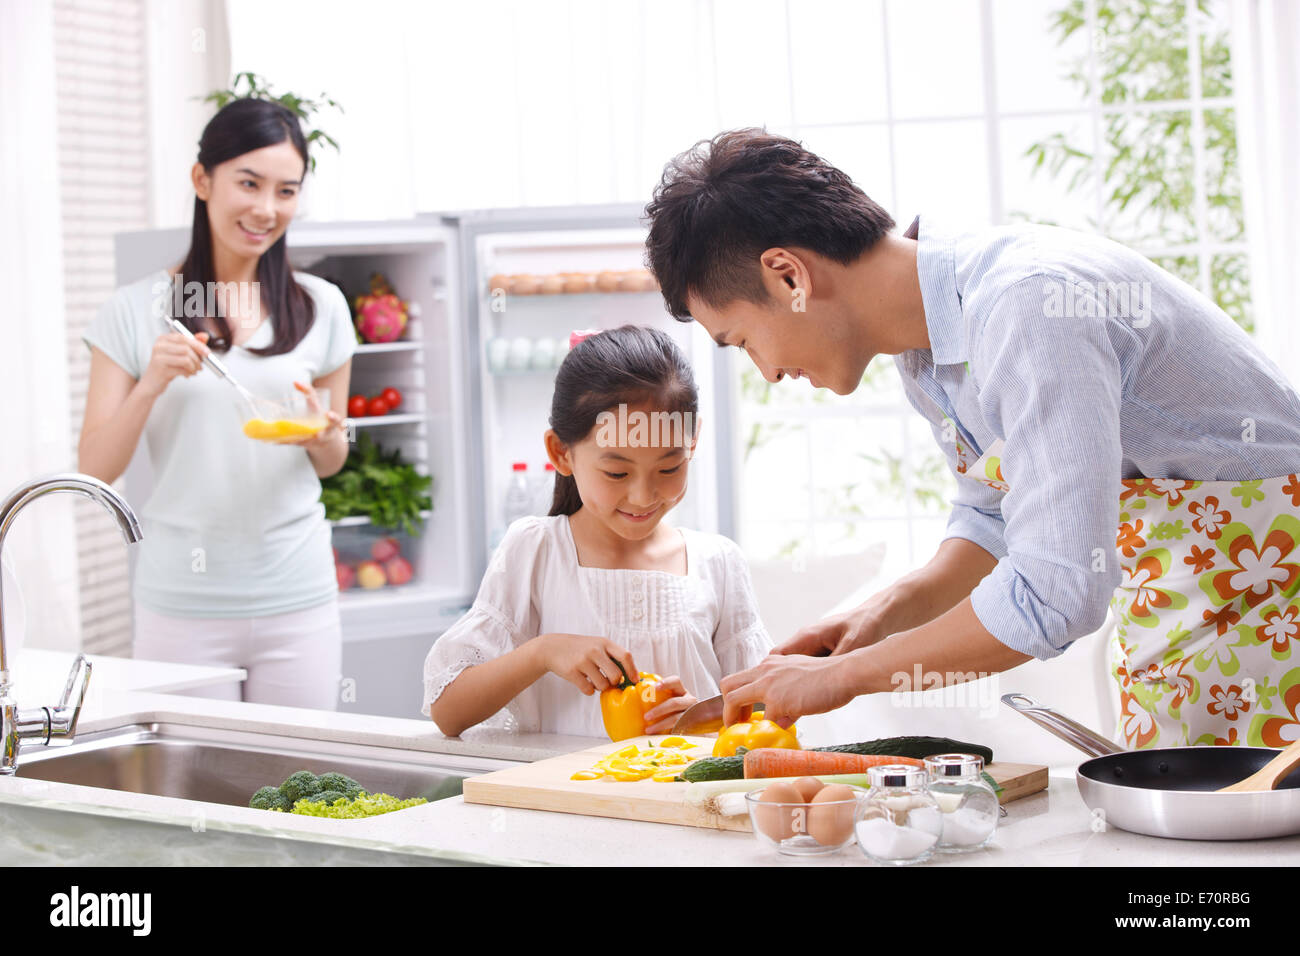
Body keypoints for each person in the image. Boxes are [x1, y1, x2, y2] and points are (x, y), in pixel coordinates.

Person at [643, 127, 1300, 750]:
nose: (768, 373)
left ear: (789, 276)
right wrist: (877, 617)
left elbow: (1058, 590)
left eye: (742, 341)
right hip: (1200, 624)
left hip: (1274, 604)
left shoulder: (1029, 307)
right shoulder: (924, 354)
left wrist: (847, 676)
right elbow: (994, 521)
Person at [78, 98, 354, 710]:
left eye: (286, 191)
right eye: (248, 183)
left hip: (298, 595)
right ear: (203, 180)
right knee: (193, 794)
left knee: (297, 785)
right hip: (182, 604)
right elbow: (94, 469)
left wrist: (321, 434)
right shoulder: (133, 310)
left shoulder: (323, 306)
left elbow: (332, 461)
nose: (265, 209)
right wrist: (151, 383)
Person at [424, 325, 772, 737]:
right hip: (562, 802)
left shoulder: (719, 563)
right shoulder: (536, 551)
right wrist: (543, 652)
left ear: (693, 443)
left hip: (681, 801)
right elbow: (448, 711)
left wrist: (704, 717)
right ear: (561, 452)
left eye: (669, 468)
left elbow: (765, 711)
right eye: (616, 471)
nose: (643, 496)